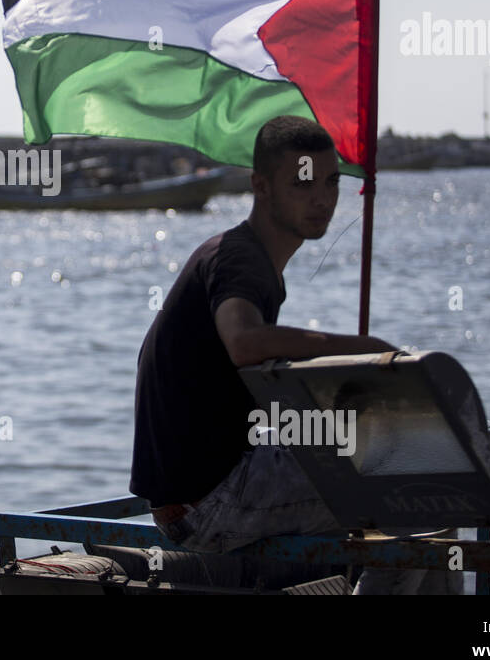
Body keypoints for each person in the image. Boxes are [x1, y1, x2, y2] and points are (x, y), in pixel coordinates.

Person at [130, 115, 454, 594]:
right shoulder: (243, 262)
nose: (322, 198)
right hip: (208, 505)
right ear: (261, 185)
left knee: (394, 451)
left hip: (196, 491)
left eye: (331, 182)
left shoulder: (234, 255)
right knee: (424, 493)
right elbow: (244, 343)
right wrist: (370, 350)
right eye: (303, 182)